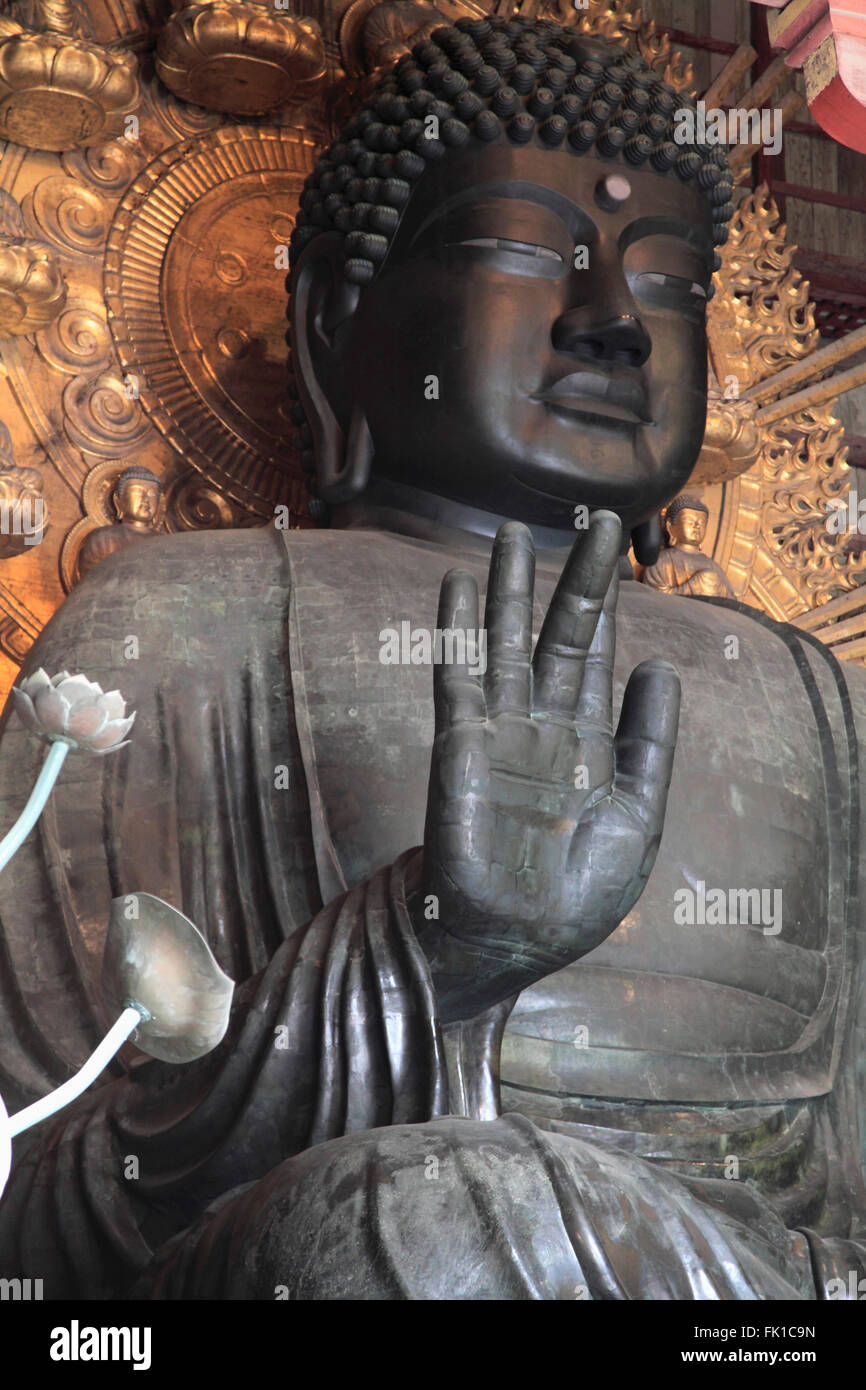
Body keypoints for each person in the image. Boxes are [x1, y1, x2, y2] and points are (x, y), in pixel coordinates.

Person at [1, 16, 864, 1299]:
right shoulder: (180, 618)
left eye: (669, 279)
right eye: (522, 249)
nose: (613, 322)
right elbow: (30, 1211)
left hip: (762, 1303)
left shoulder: (821, 699)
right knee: (414, 1222)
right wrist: (420, 947)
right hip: (377, 1254)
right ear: (336, 318)